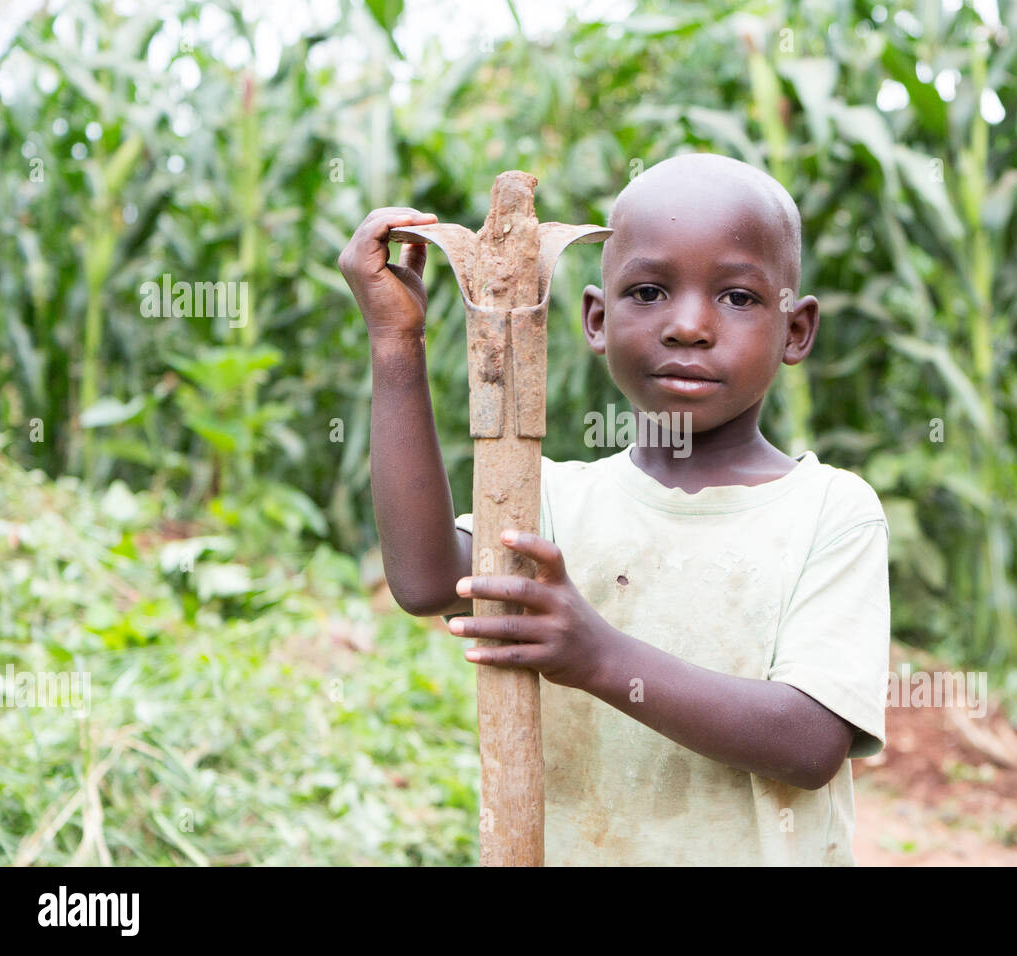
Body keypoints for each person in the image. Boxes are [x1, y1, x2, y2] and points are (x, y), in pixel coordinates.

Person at [338, 152, 890, 865]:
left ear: (797, 331)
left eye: (739, 298)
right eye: (651, 291)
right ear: (597, 319)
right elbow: (427, 580)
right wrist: (395, 341)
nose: (688, 326)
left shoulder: (831, 512)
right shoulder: (552, 500)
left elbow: (810, 742)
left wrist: (597, 656)